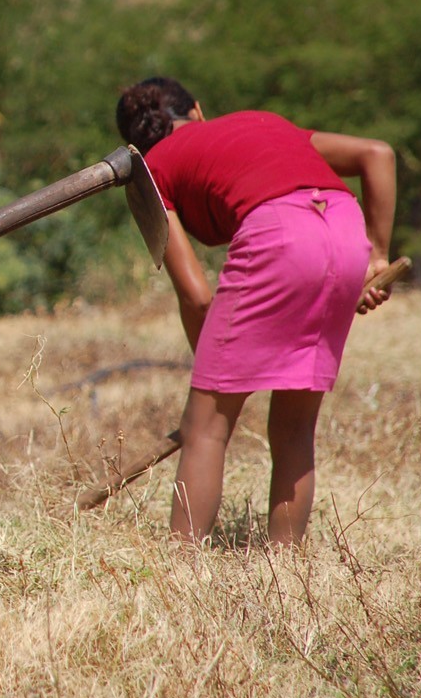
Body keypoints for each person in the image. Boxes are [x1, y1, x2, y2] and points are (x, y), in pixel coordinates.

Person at [115, 76, 396, 548]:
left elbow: (197, 296)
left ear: (133, 147)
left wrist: (214, 385)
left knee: (205, 428)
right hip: (346, 228)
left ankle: (178, 571)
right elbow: (377, 154)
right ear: (199, 112)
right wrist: (377, 257)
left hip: (277, 233)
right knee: (294, 425)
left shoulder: (151, 170)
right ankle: (286, 574)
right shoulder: (262, 121)